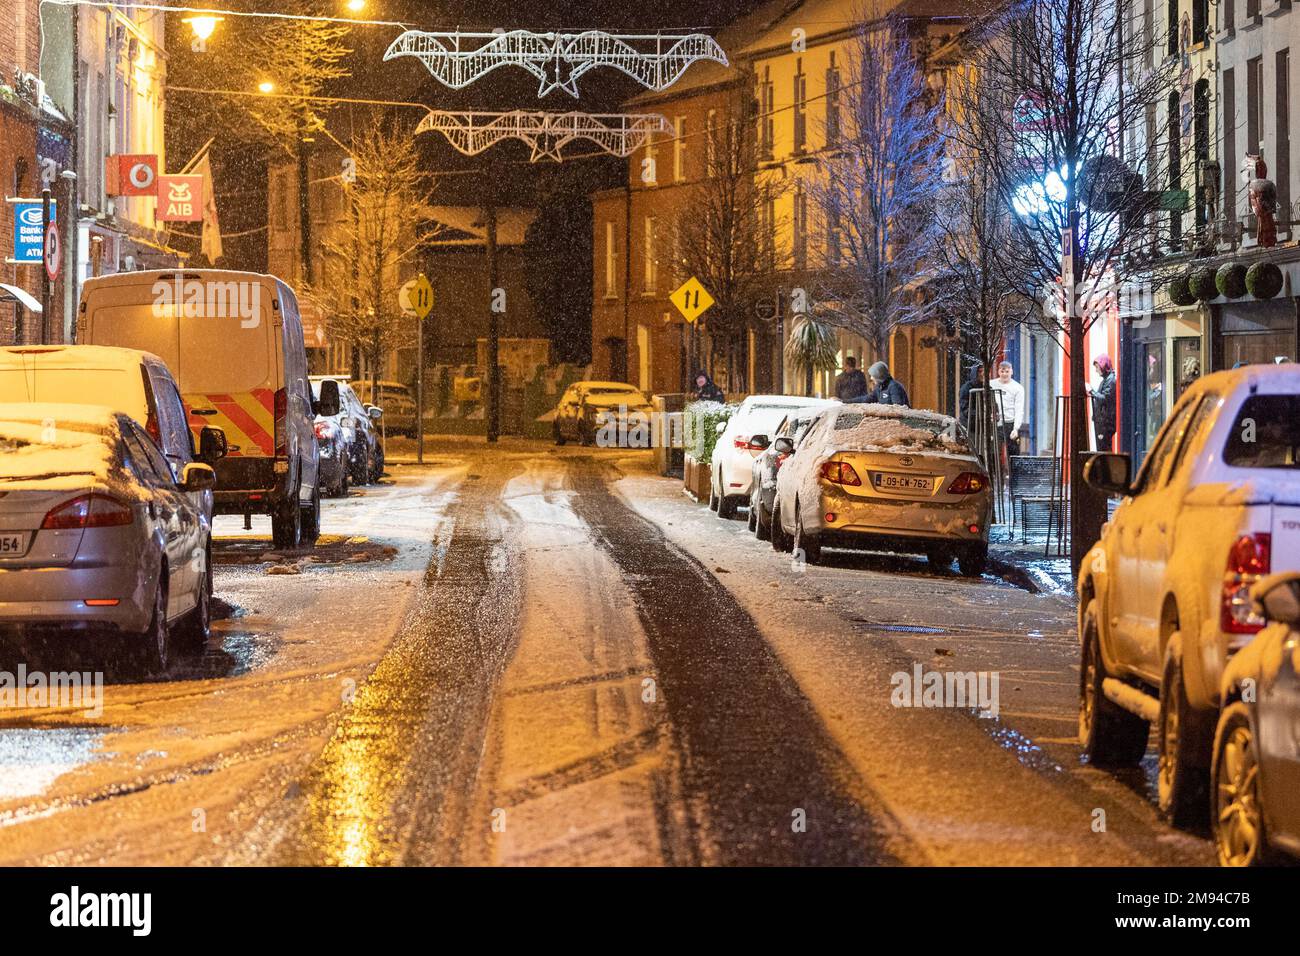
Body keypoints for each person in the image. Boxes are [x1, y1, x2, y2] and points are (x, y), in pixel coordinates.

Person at [989, 361, 1026, 455]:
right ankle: (994, 470)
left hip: (1010, 423)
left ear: (1011, 372)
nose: (1004, 374)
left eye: (1007, 371)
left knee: (1013, 453)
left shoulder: (1018, 388)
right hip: (995, 423)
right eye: (1002, 371)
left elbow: (1019, 409)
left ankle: (1013, 470)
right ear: (998, 372)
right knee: (993, 453)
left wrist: (1016, 428)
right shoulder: (991, 384)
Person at [1089, 354, 1117, 451]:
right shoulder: (1107, 380)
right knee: (1102, 448)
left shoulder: (1110, 381)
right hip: (1103, 421)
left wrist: (1091, 391)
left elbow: (1105, 398)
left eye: (1097, 367)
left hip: (1105, 423)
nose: (1096, 370)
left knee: (1104, 448)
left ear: (1103, 365)